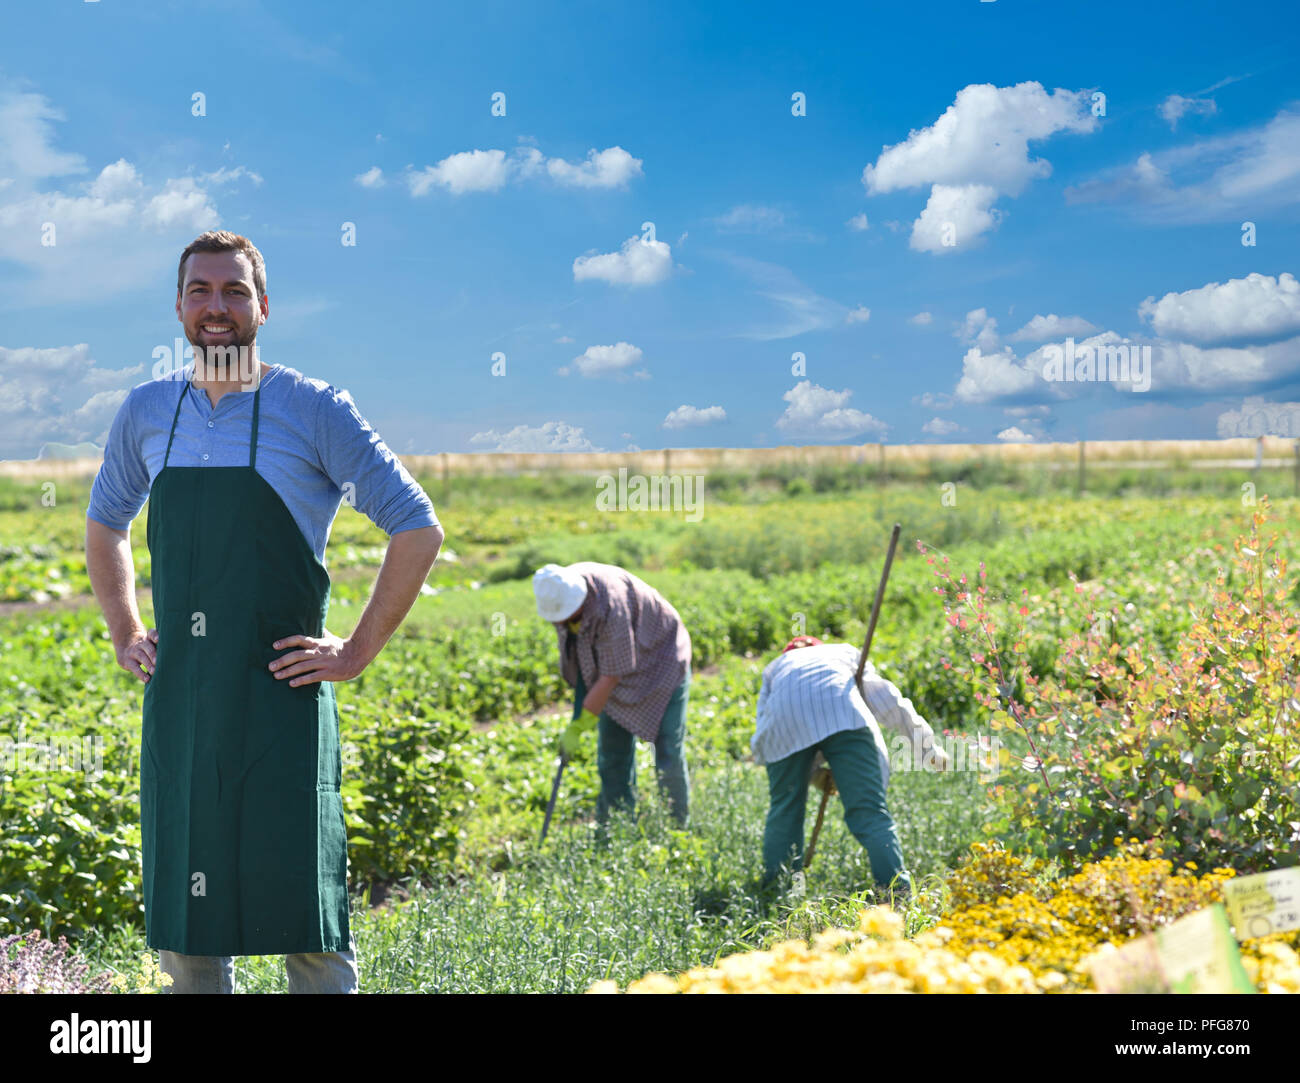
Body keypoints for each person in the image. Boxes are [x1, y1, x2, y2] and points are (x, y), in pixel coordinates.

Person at [84, 230, 444, 993]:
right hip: (182, 700)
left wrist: (354, 650)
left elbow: (416, 525)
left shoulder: (312, 408)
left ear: (264, 306)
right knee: (189, 921)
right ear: (179, 305)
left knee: (305, 912)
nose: (217, 308)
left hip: (283, 697)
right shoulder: (148, 412)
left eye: (235, 291)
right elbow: (105, 521)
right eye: (201, 291)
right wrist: (124, 629)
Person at [752, 635, 948, 896]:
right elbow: (889, 701)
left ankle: (775, 891)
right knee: (869, 812)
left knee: (785, 810)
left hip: (784, 725)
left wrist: (812, 774)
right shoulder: (841, 653)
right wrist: (928, 749)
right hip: (843, 714)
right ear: (819, 647)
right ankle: (896, 893)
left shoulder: (775, 667)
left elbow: (774, 731)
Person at [533, 562, 691, 826]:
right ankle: (616, 828)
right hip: (612, 669)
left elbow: (609, 678)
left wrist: (580, 726)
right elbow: (583, 665)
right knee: (612, 753)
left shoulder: (610, 605)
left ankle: (677, 828)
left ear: (579, 600)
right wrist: (579, 718)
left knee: (667, 751)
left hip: (659, 662)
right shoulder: (560, 592)